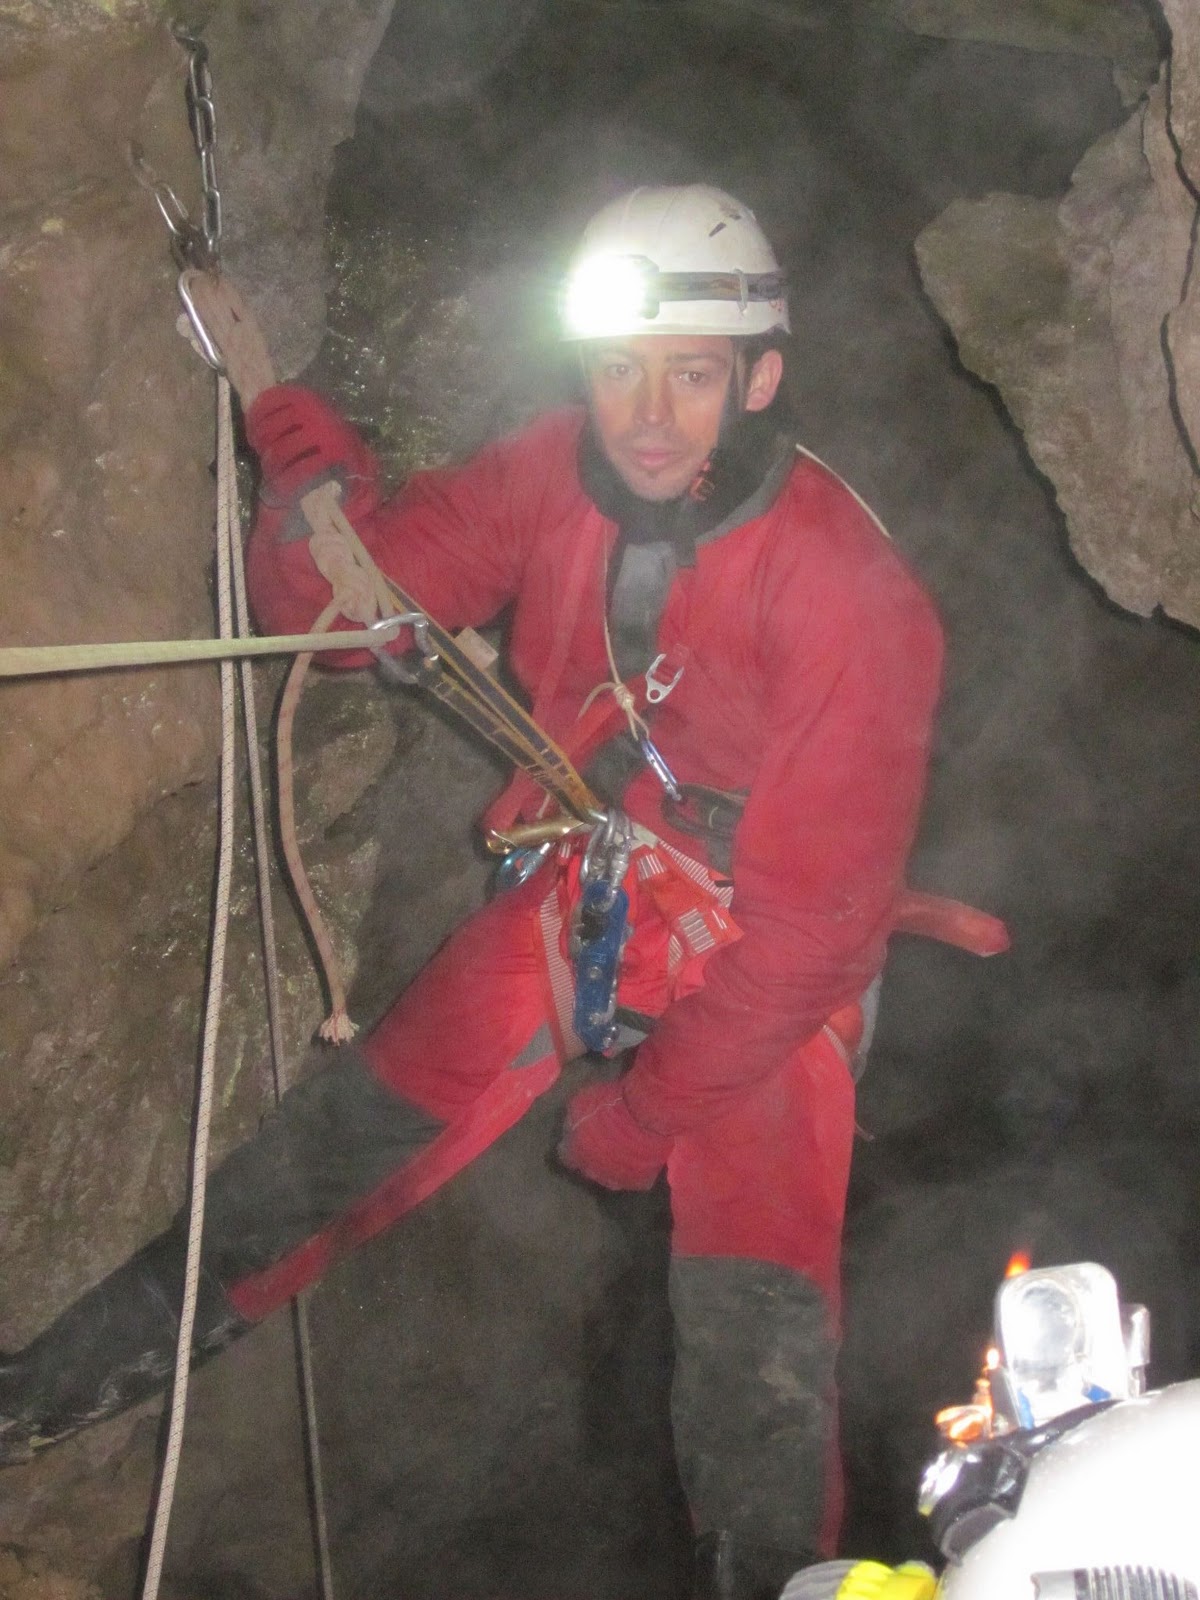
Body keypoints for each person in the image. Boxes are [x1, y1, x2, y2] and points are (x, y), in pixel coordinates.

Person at [0, 186, 947, 1600]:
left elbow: (814, 938)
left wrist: (643, 1116)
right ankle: (34, 1400)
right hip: (594, 882)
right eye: (618, 366)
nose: (645, 411)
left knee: (754, 1307)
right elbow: (345, 626)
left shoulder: (850, 599)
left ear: (759, 380)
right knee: (334, 1151)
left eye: (691, 375)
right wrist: (308, 508)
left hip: (763, 957)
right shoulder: (547, 476)